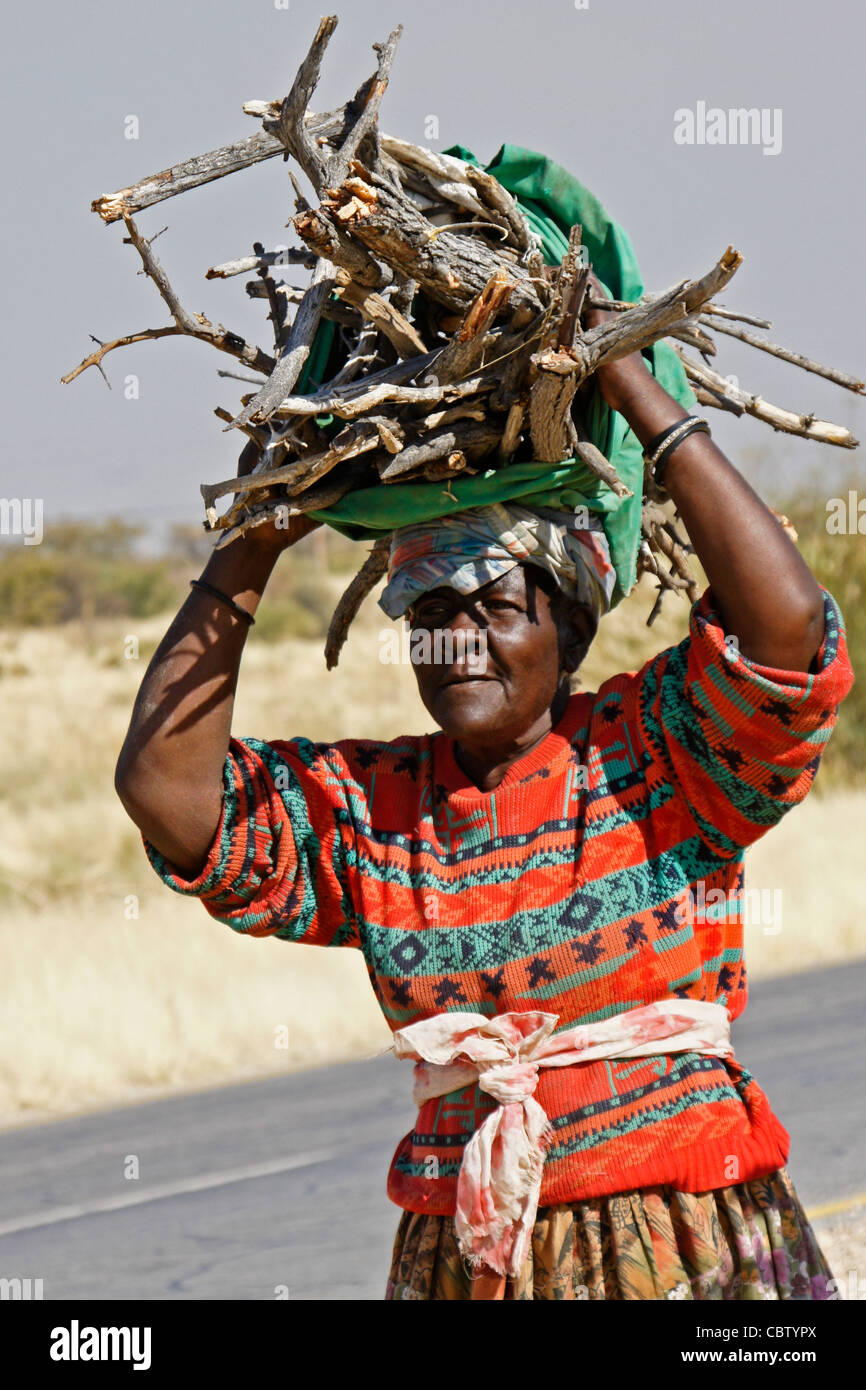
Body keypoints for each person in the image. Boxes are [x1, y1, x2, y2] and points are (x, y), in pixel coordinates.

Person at [114, 278, 854, 1301]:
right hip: (468, 1259)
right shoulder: (376, 813)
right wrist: (250, 540)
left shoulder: (655, 756)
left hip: (692, 1245)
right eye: (426, 611)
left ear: (568, 626)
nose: (454, 637)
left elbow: (784, 635)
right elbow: (169, 794)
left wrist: (626, 374)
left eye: (495, 604)